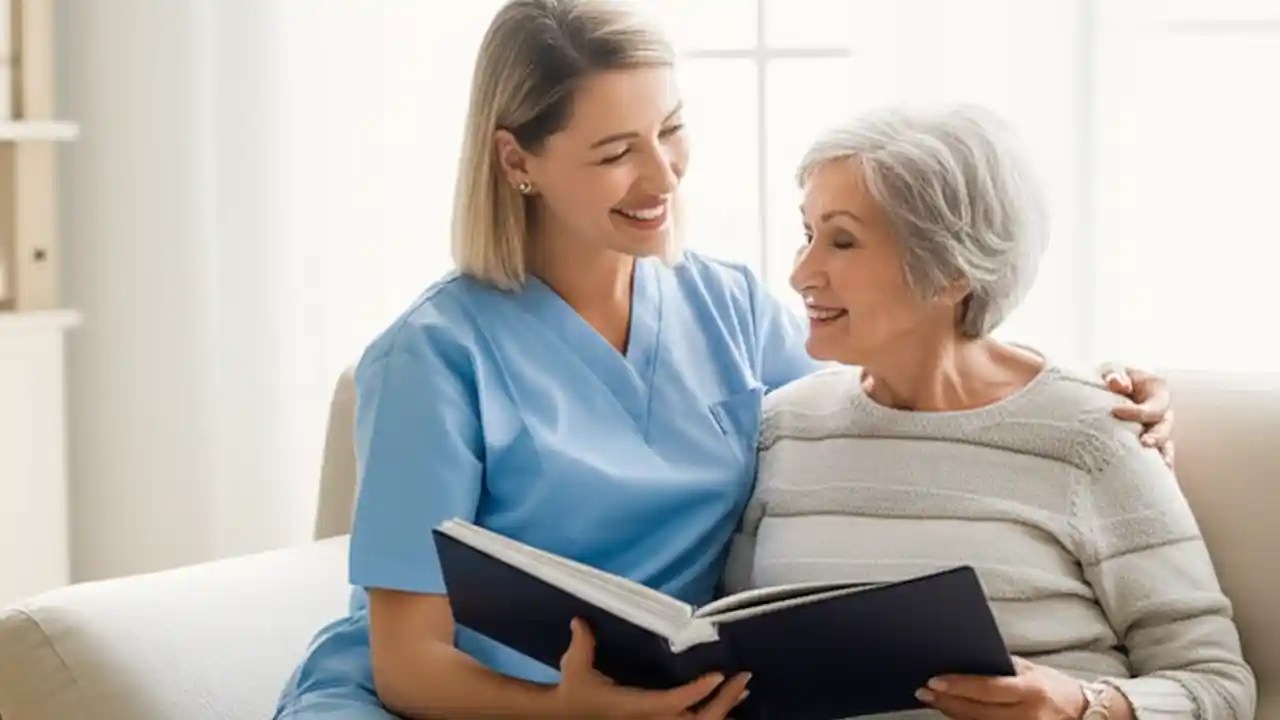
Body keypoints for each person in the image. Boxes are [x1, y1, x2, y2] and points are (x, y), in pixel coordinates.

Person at [273, 2, 1175, 718]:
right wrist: (568, 712)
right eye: (616, 152)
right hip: (460, 705)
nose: (663, 178)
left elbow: (896, 372)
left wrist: (1084, 396)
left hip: (659, 695)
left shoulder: (729, 305)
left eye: (670, 130)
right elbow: (406, 664)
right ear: (518, 162)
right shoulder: (432, 356)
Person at [728, 104, 1254, 719]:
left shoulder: (1093, 437)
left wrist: (1081, 707)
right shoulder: (785, 428)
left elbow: (1218, 686)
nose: (800, 272)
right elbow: (732, 648)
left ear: (951, 270)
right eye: (807, 234)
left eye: (842, 240)